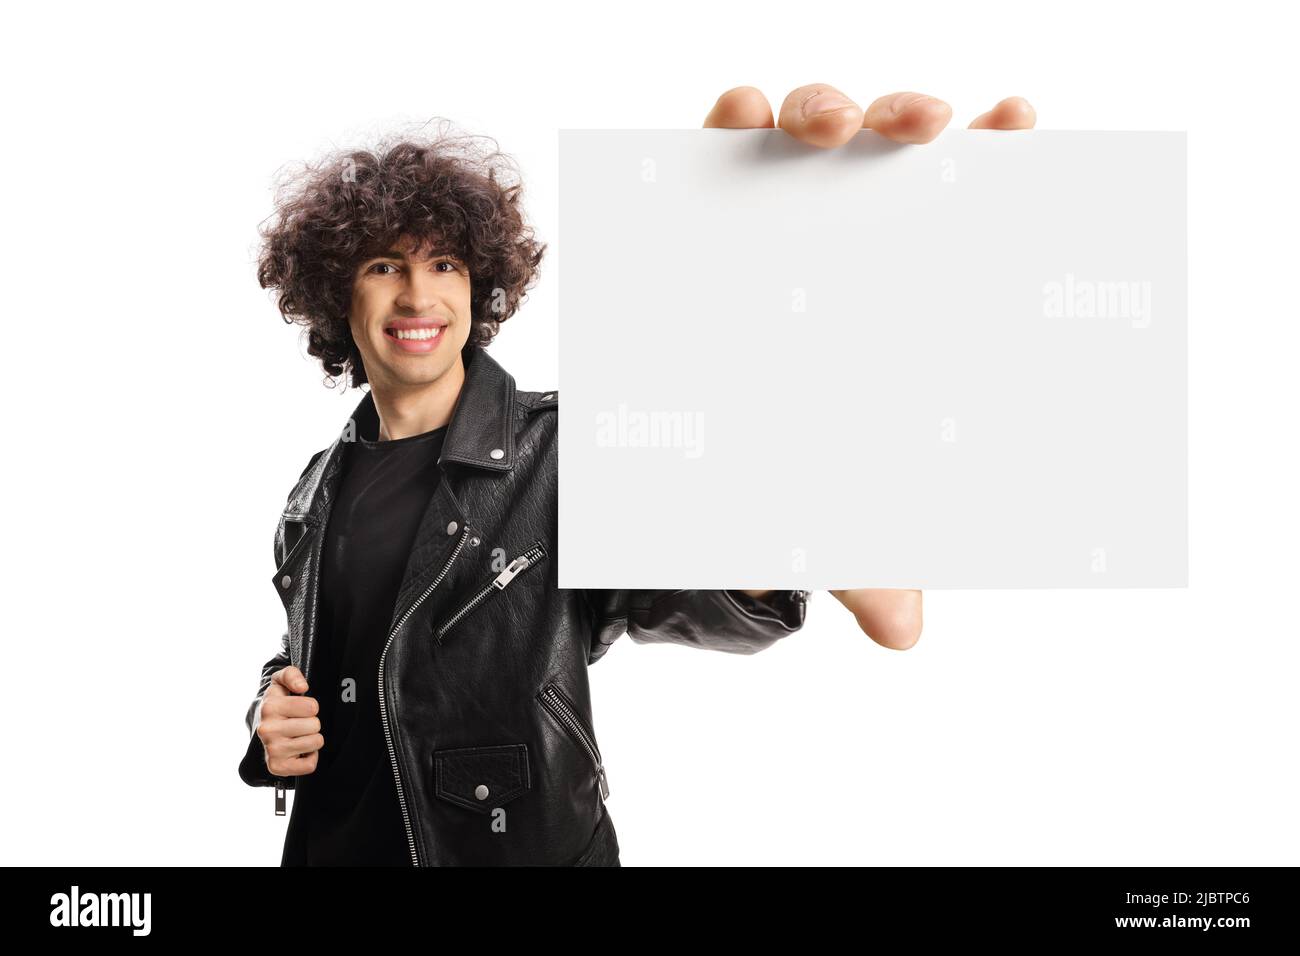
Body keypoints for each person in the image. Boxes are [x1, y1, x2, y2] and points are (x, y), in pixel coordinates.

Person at [239, 85, 1029, 865]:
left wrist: (800, 500)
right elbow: (328, 652)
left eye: (443, 262)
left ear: (478, 283)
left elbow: (686, 581)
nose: (419, 293)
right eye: (385, 265)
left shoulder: (568, 449)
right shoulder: (314, 492)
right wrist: (268, 715)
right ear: (337, 291)